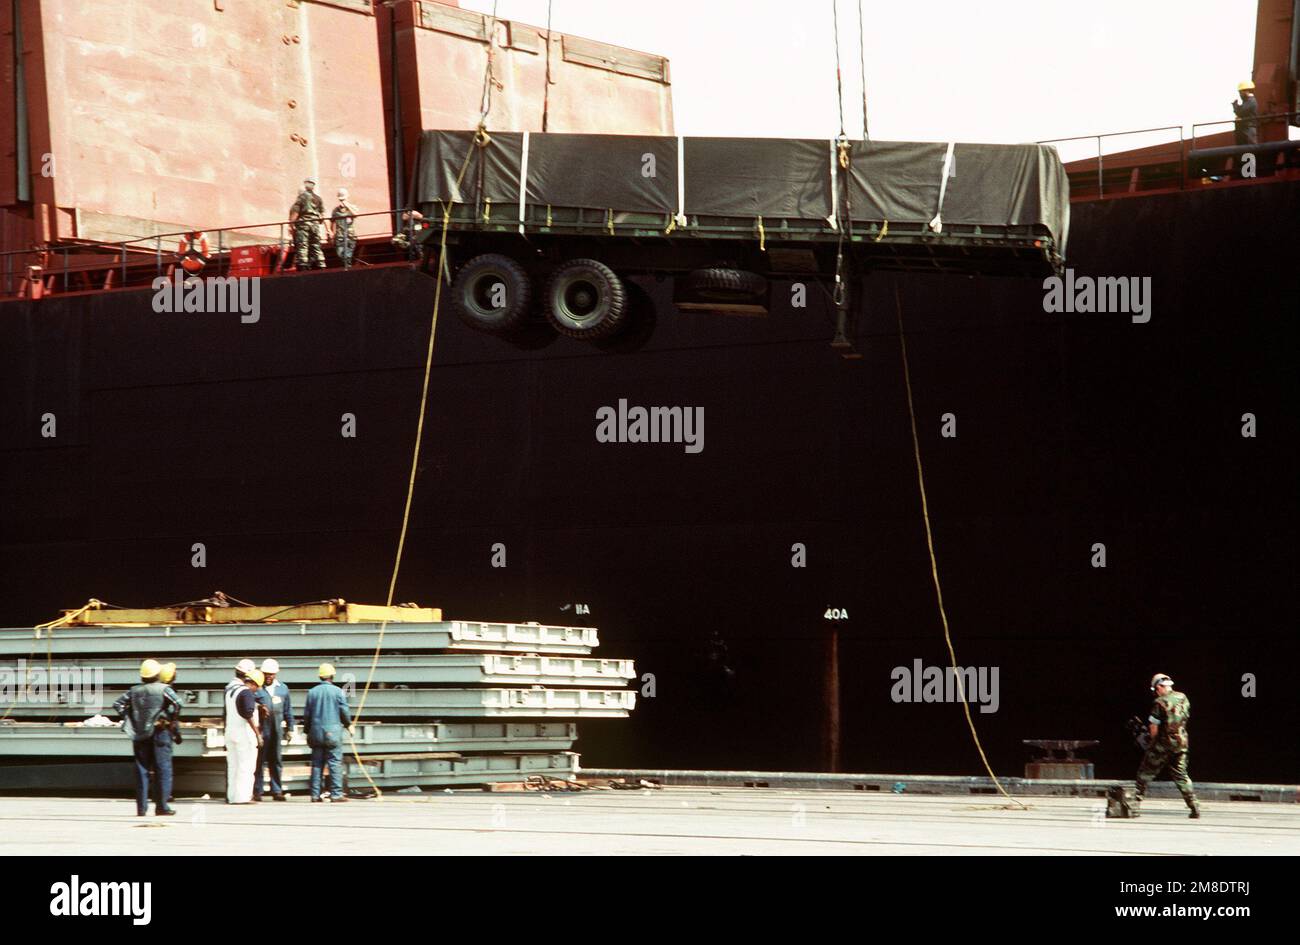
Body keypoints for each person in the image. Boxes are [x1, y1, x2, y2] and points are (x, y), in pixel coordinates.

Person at [112, 658, 181, 817]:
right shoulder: (164, 689)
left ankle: (141, 808)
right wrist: (171, 719)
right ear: (158, 674)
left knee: (141, 769)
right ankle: (162, 806)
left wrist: (130, 718)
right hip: (160, 732)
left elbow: (118, 704)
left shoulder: (134, 690)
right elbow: (178, 704)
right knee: (163, 769)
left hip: (140, 733)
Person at [1132, 673, 1200, 819]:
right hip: (1181, 743)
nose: (1156, 693)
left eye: (1156, 690)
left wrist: (1152, 742)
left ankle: (1134, 806)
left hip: (1163, 745)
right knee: (1181, 775)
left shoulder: (1159, 702)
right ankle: (1194, 805)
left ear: (1159, 687)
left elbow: (1154, 726)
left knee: (1145, 773)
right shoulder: (1183, 697)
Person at [303, 662, 351, 803]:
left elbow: (307, 715)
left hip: (316, 733)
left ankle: (315, 795)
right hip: (333, 733)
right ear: (332, 676)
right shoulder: (338, 692)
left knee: (317, 764)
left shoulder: (312, 693)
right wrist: (348, 724)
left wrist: (307, 732)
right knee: (334, 763)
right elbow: (344, 711)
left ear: (320, 676)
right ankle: (336, 794)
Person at [254, 658, 294, 802]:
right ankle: (257, 790)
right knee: (259, 761)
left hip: (277, 729)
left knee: (276, 760)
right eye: (266, 674)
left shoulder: (282, 689)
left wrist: (290, 728)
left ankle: (277, 790)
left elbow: (288, 709)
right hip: (262, 730)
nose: (268, 676)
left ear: (276, 674)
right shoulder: (257, 689)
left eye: (271, 674)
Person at [225, 664, 264, 804]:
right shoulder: (246, 692)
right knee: (246, 766)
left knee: (233, 767)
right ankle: (243, 797)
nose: (256, 690)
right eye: (257, 687)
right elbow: (247, 714)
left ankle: (232, 796)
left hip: (230, 732)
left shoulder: (231, 690)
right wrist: (257, 734)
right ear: (253, 683)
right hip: (243, 734)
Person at [289, 178, 327, 270]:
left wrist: (291, 224)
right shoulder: (318, 198)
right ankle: (321, 265)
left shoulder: (302, 197)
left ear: (305, 185)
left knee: (303, 245)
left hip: (303, 226)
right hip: (315, 226)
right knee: (316, 246)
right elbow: (322, 216)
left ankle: (303, 267)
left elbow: (296, 212)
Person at [329, 189, 358, 270]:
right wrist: (331, 233)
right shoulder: (335, 210)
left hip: (350, 236)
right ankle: (347, 267)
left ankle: (348, 269)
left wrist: (347, 205)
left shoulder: (352, 208)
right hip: (339, 236)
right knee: (340, 254)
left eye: (343, 199)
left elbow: (355, 214)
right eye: (341, 199)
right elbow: (332, 222)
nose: (342, 201)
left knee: (347, 256)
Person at [1232, 81, 1259, 146]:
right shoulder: (1247, 101)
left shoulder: (1251, 101)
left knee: (1249, 149)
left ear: (1246, 91)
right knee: (1244, 150)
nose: (1240, 94)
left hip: (1248, 129)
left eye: (1240, 92)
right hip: (1245, 129)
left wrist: (1235, 106)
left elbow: (1240, 112)